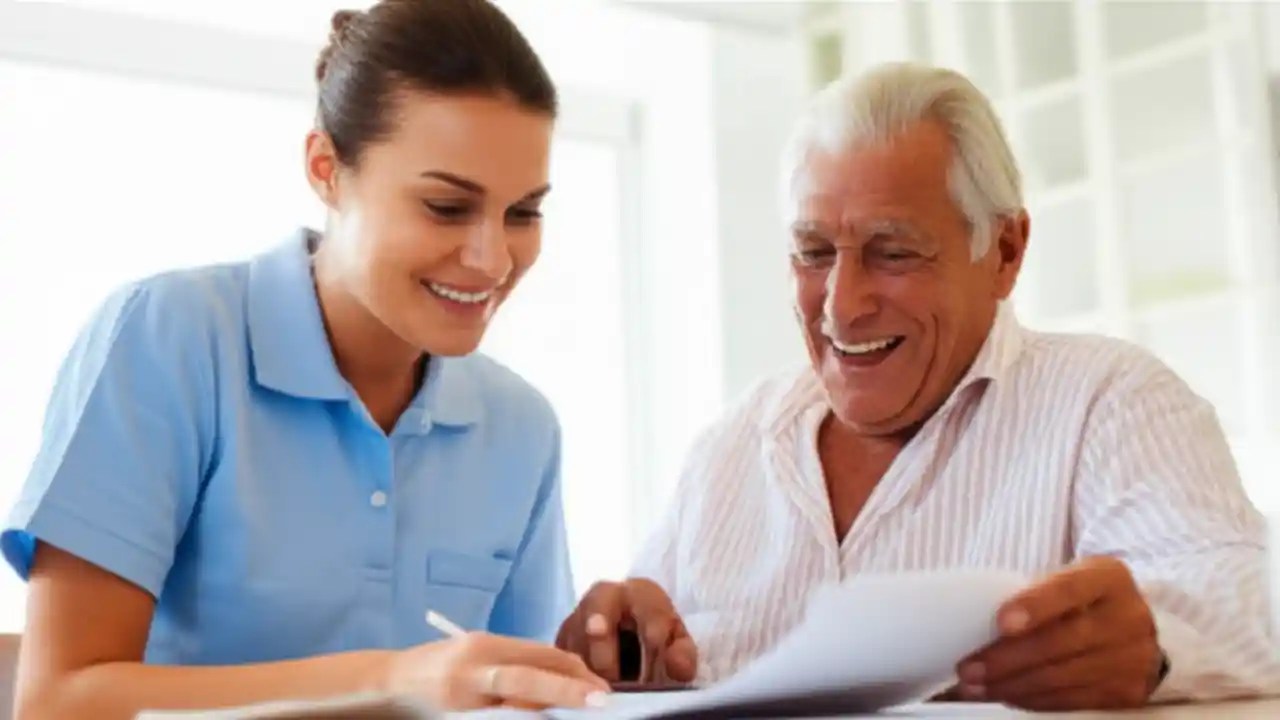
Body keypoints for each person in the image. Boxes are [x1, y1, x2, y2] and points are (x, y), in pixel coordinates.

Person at [558, 61, 1280, 710]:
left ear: (1004, 251)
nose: (841, 304)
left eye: (893, 252)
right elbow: (637, 646)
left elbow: (1250, 607)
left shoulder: (1110, 402)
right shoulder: (731, 447)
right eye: (813, 253)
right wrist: (617, 643)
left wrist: (1155, 644)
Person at [1, 1, 612, 717]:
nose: (492, 259)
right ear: (326, 169)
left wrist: (604, 657)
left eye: (523, 213)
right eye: (447, 207)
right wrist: (391, 679)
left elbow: (517, 696)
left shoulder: (522, 426)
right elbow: (60, 699)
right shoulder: (171, 339)